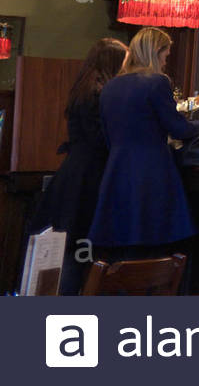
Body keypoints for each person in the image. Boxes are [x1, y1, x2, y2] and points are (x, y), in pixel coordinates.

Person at [87, 27, 199, 260]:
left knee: (122, 251)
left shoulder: (110, 88)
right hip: (151, 173)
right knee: (155, 250)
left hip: (116, 172)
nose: (166, 62)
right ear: (155, 52)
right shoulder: (156, 82)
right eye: (166, 56)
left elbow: (108, 135)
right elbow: (178, 128)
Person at [29, 38, 127, 294]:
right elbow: (105, 140)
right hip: (90, 179)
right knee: (79, 252)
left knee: (70, 251)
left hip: (72, 176)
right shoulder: (103, 95)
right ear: (114, 64)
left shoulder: (84, 89)